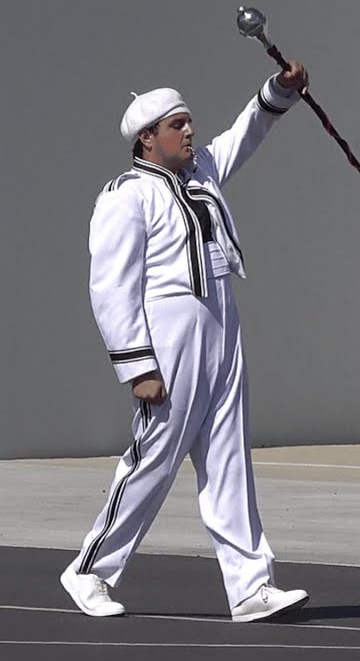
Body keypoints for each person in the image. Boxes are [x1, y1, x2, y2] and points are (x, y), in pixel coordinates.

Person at [62, 62, 314, 623]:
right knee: (154, 458)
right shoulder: (127, 195)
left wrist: (280, 91)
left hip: (222, 321)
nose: (190, 132)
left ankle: (250, 586)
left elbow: (246, 133)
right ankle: (89, 570)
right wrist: (138, 365)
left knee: (229, 457)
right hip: (168, 330)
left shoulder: (203, 173)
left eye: (189, 122)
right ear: (147, 138)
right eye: (177, 125)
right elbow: (110, 285)